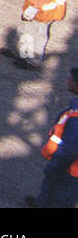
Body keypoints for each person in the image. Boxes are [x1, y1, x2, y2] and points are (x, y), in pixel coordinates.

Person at [39, 67, 78, 208]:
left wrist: (53, 169)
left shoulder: (76, 116)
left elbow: (70, 150)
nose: (67, 80)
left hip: (67, 174)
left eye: (71, 79)